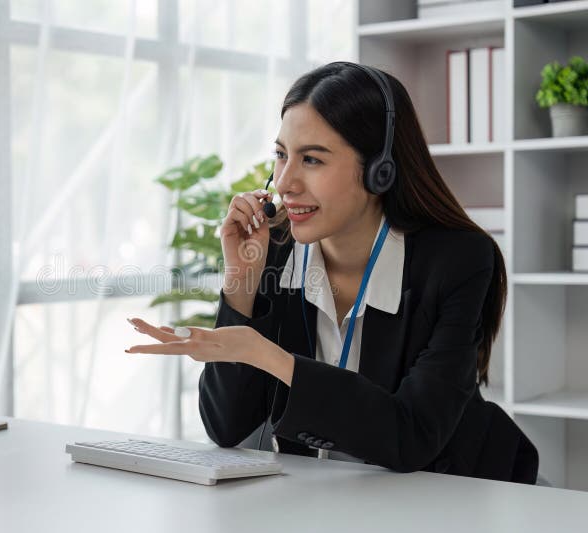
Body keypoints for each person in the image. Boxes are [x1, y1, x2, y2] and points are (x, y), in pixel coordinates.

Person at [124, 62, 538, 484]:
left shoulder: (458, 260)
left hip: (465, 490)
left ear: (380, 169)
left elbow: (412, 436)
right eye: (281, 155)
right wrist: (241, 284)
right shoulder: (275, 250)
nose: (285, 183)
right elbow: (225, 427)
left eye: (312, 160)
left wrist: (269, 356)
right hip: (337, 501)